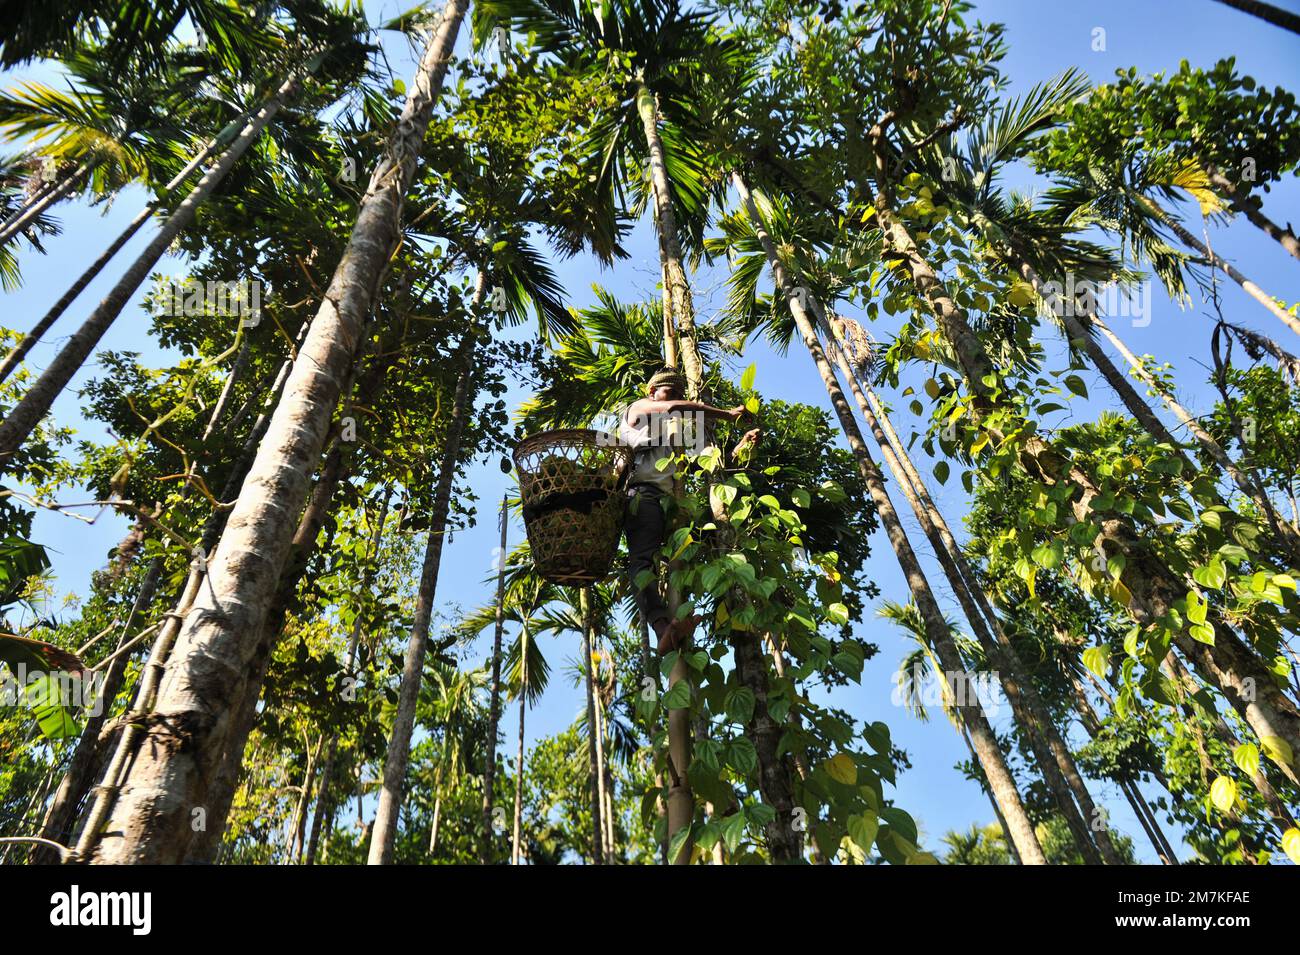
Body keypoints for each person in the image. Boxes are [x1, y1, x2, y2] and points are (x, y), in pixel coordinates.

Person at [620, 369, 760, 654]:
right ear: (652, 394)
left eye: (679, 395)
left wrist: (741, 447)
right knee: (642, 563)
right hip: (643, 496)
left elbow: (702, 468)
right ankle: (662, 628)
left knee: (711, 546)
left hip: (673, 508)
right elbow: (672, 406)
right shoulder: (637, 410)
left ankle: (689, 625)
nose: (674, 402)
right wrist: (726, 414)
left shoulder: (677, 434)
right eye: (668, 393)